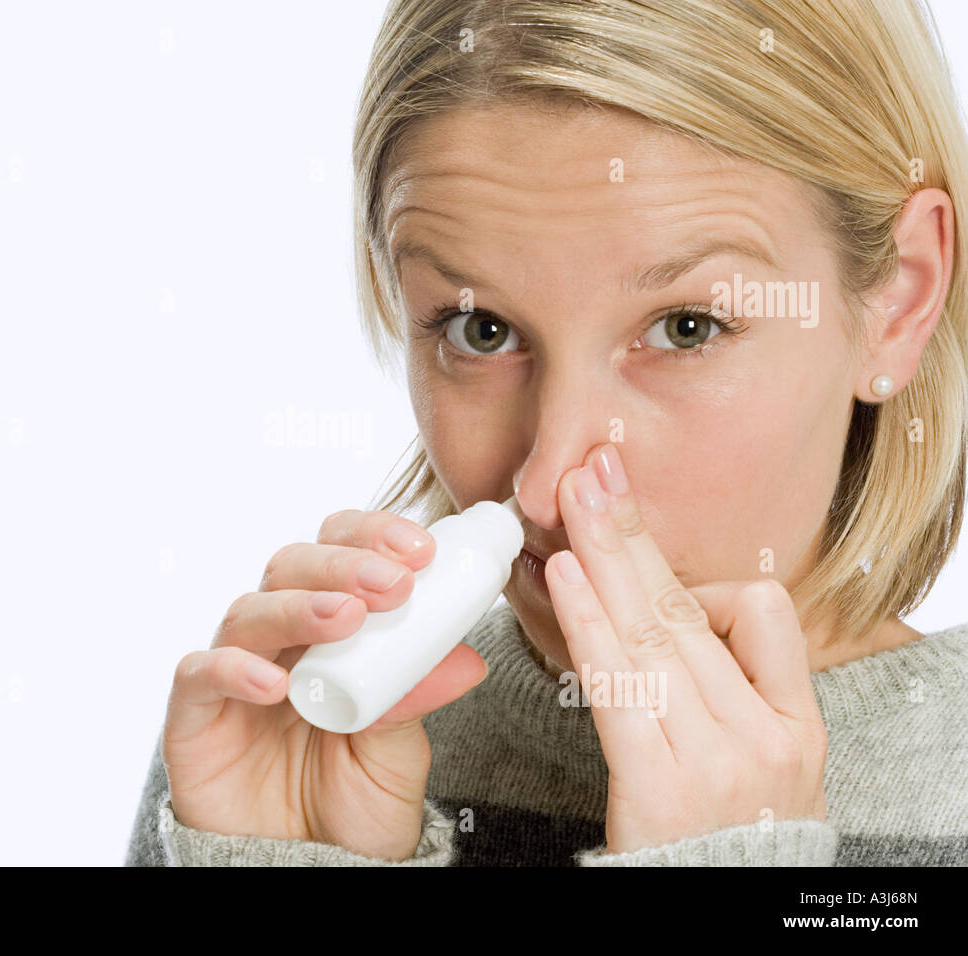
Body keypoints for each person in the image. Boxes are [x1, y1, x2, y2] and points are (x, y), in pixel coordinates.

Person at [126, 0, 968, 865]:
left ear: (898, 299)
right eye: (479, 330)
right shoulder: (291, 735)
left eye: (685, 328)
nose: (546, 481)